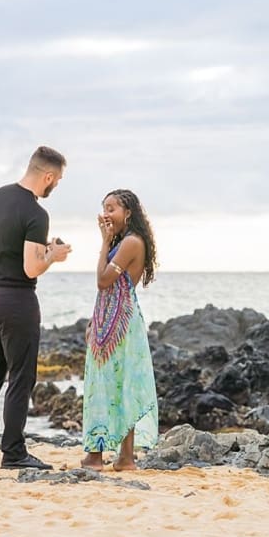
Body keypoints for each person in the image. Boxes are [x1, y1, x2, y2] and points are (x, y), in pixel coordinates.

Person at [0, 146, 72, 471]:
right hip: (16, 299)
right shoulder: (36, 214)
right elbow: (30, 268)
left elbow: (8, 247)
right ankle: (14, 452)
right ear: (47, 176)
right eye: (58, 180)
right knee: (21, 376)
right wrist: (54, 255)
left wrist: (43, 250)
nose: (56, 186)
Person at [81, 189, 159, 471]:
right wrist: (94, 321)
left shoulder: (132, 243)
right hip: (111, 319)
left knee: (104, 385)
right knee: (116, 384)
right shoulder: (121, 241)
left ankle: (94, 456)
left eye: (112, 208)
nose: (106, 213)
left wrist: (103, 244)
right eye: (104, 207)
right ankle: (124, 459)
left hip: (121, 325)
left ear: (128, 212)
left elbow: (103, 282)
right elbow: (107, 293)